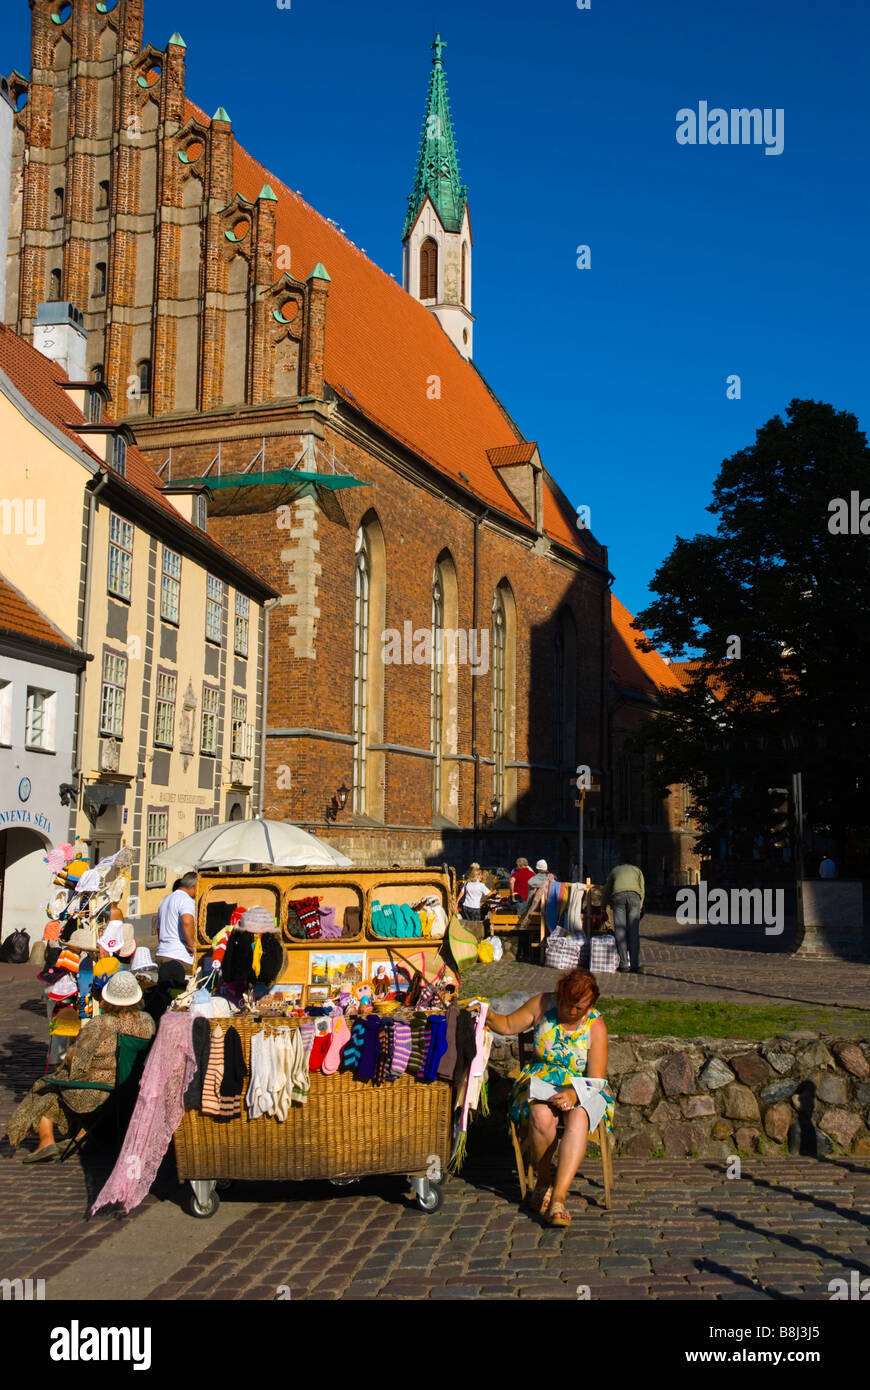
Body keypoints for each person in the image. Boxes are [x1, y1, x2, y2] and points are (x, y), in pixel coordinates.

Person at [488, 968, 614, 1227]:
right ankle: (543, 1180)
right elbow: (508, 1024)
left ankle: (558, 1197)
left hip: (582, 1085)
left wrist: (573, 1093)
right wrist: (486, 1015)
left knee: (579, 1116)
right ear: (560, 995)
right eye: (570, 1005)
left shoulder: (596, 1025)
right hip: (540, 1081)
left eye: (582, 1007)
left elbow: (597, 1078)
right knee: (540, 1115)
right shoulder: (543, 1004)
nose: (575, 1012)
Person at [6, 970, 155, 1163]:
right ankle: (82, 1136)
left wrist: (68, 1054)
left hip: (96, 1090)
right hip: (128, 1088)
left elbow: (78, 1061)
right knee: (58, 1084)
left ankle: (46, 1140)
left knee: (46, 1087)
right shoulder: (147, 1022)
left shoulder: (100, 1024)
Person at [601, 860, 645, 973]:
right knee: (633, 931)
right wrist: (640, 905)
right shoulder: (637, 870)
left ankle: (624, 964)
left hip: (618, 896)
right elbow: (642, 889)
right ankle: (636, 965)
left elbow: (607, 890)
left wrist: (603, 907)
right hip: (634, 896)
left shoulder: (614, 871)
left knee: (620, 930)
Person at [156, 871, 197, 968]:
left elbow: (158, 928)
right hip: (179, 956)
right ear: (194, 886)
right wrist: (192, 945)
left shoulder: (165, 900)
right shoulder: (186, 900)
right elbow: (187, 921)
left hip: (162, 953)